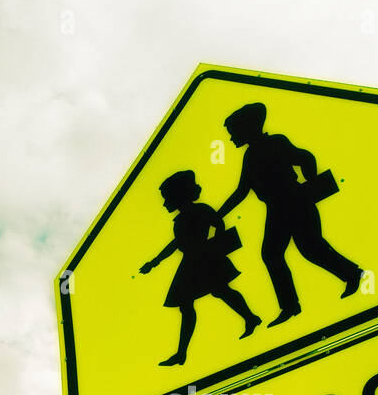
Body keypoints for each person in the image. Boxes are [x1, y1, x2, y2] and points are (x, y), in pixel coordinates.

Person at [217, 102, 363, 326]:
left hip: (295, 202)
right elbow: (242, 190)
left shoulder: (275, 143)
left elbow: (305, 158)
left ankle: (351, 275)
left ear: (247, 128)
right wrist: (219, 214)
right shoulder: (251, 155)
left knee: (309, 248)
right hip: (276, 209)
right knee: (274, 254)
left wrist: (311, 182)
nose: (230, 138)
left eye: (233, 132)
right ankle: (290, 306)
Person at [140, 170, 260, 366]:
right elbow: (176, 244)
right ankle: (182, 353)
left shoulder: (200, 210)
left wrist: (216, 246)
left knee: (220, 292)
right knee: (192, 303)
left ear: (178, 196)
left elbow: (219, 223)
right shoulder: (181, 219)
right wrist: (154, 262)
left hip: (204, 259)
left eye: (167, 198)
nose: (164, 204)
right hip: (191, 263)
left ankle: (250, 318)